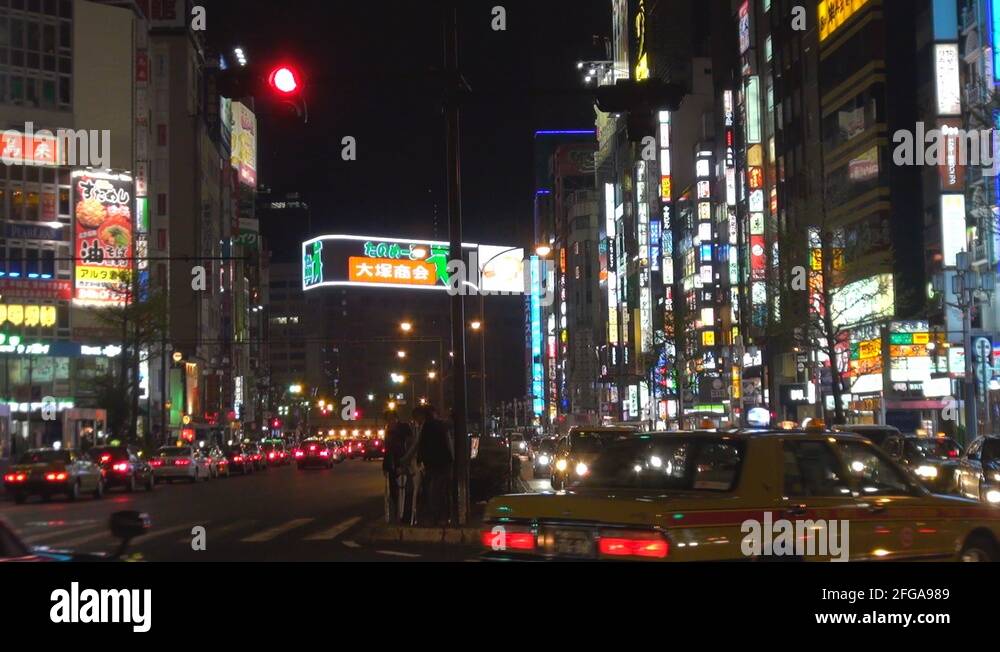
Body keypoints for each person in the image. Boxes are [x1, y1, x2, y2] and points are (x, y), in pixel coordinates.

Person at [413, 404, 453, 526]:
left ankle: (437, 517)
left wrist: (418, 460)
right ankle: (442, 517)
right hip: (443, 462)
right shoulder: (440, 425)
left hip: (435, 464)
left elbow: (420, 445)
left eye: (417, 418)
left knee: (434, 490)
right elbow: (447, 442)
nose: (416, 422)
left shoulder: (427, 426)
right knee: (441, 490)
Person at [382, 410, 412, 523]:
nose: (390, 421)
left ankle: (405, 515)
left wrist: (404, 464)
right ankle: (398, 514)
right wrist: (385, 467)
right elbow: (387, 451)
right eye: (388, 419)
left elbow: (408, 445)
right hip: (392, 465)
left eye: (392, 418)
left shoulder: (404, 428)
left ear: (396, 418)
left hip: (403, 463)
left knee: (405, 490)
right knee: (394, 491)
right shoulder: (388, 431)